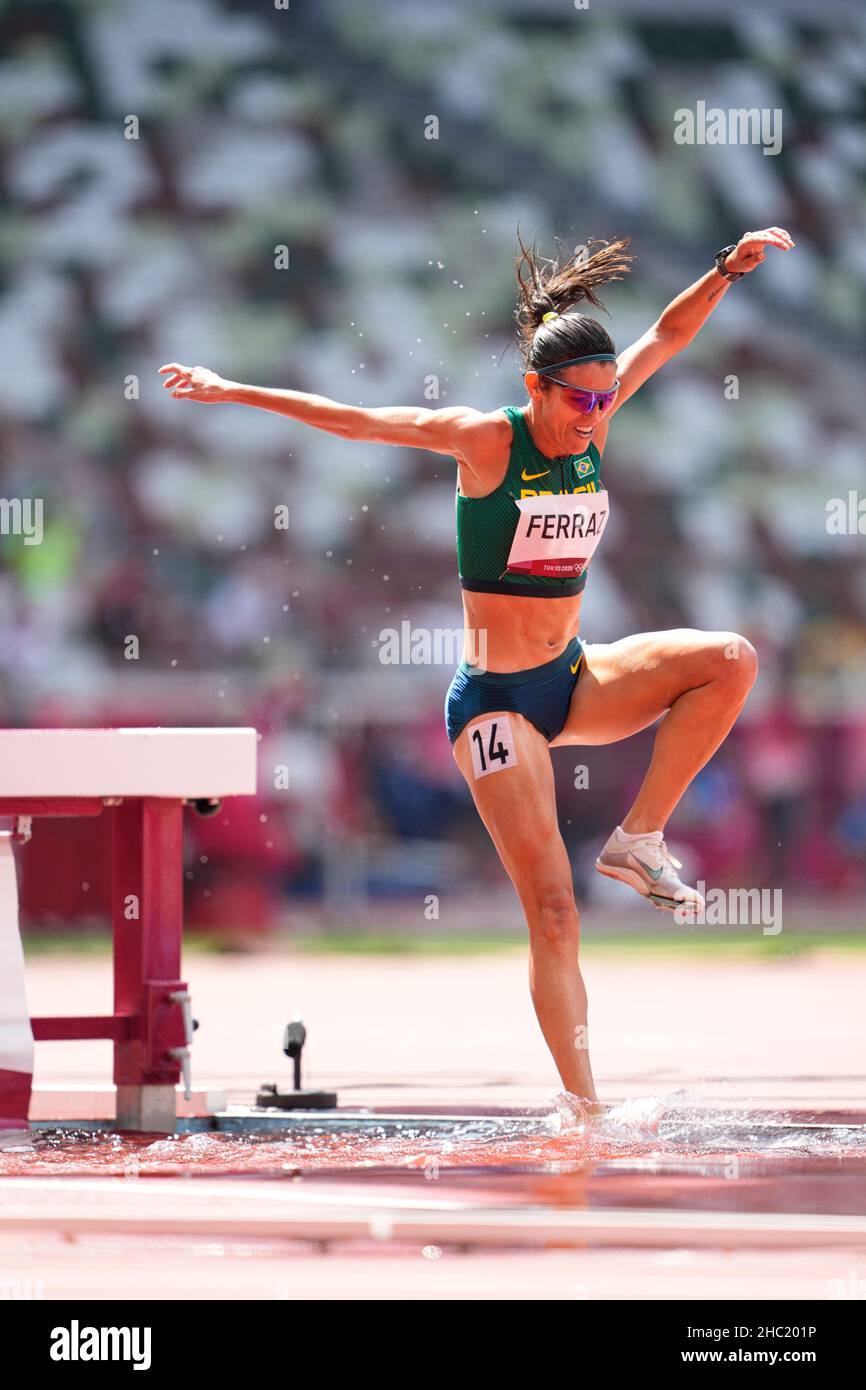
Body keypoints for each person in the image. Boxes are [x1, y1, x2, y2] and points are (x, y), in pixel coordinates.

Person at [159, 225, 794, 1108]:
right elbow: (358, 421)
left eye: (609, 403)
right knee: (556, 914)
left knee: (729, 659)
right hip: (498, 705)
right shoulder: (485, 442)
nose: (598, 416)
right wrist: (233, 392)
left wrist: (726, 268)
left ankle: (638, 839)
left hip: (574, 676)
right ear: (536, 388)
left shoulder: (595, 424)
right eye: (580, 403)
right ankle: (586, 1106)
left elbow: (669, 338)